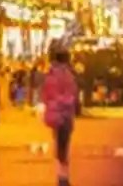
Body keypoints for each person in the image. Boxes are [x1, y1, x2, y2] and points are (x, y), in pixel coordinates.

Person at [40, 43, 78, 186]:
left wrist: (52, 104)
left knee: (58, 143)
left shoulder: (50, 74)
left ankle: (61, 174)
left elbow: (46, 95)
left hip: (54, 114)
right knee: (64, 146)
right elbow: (72, 94)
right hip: (65, 114)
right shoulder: (68, 75)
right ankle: (63, 176)